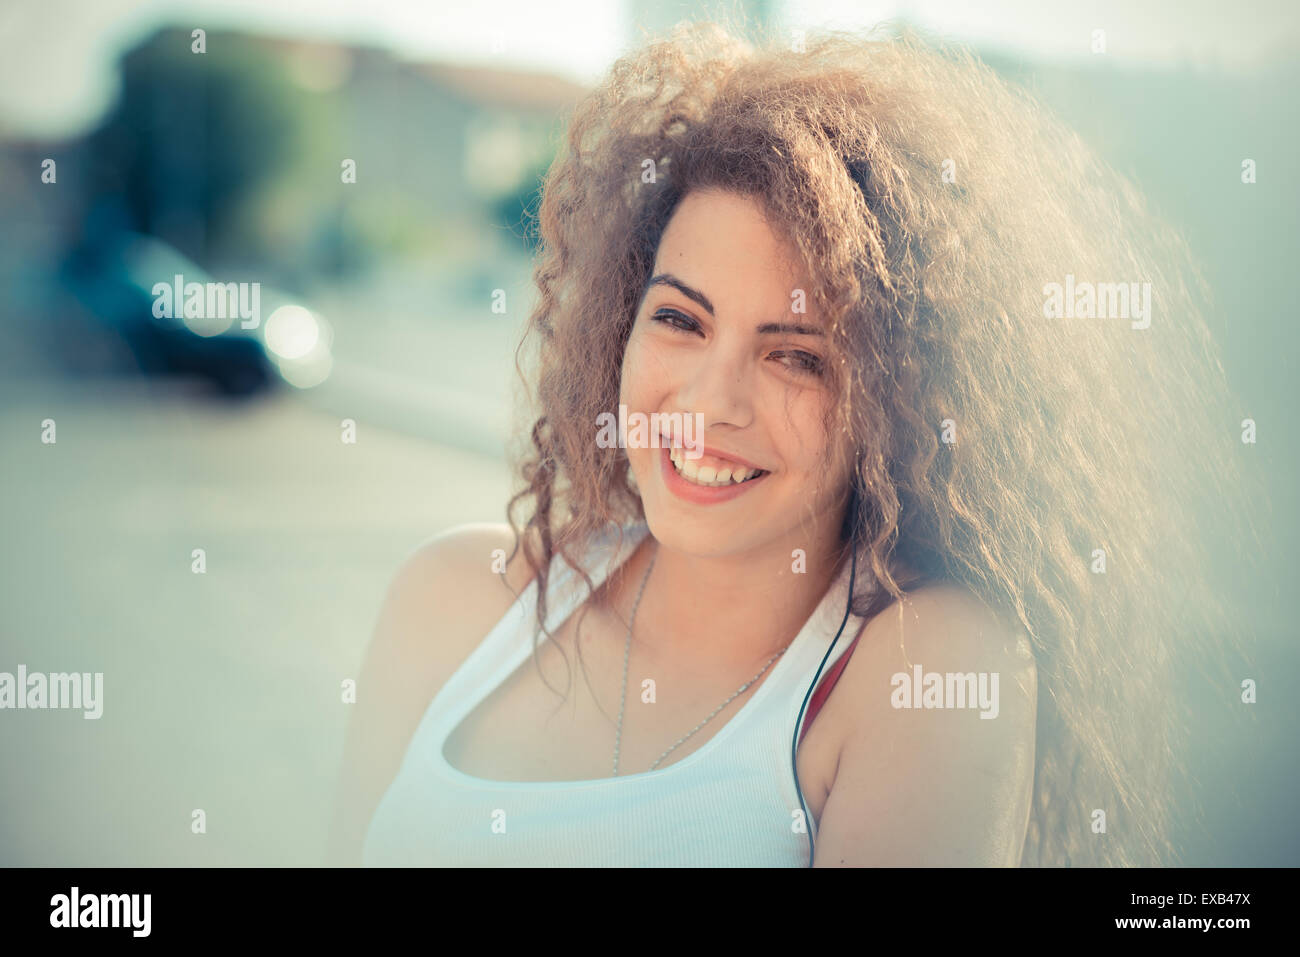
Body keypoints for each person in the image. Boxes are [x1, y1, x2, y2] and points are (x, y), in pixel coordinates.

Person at [328, 19, 1261, 867]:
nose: (709, 401)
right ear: (621, 322)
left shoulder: (926, 666)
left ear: (899, 398)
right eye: (681, 322)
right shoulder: (452, 600)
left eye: (797, 357)